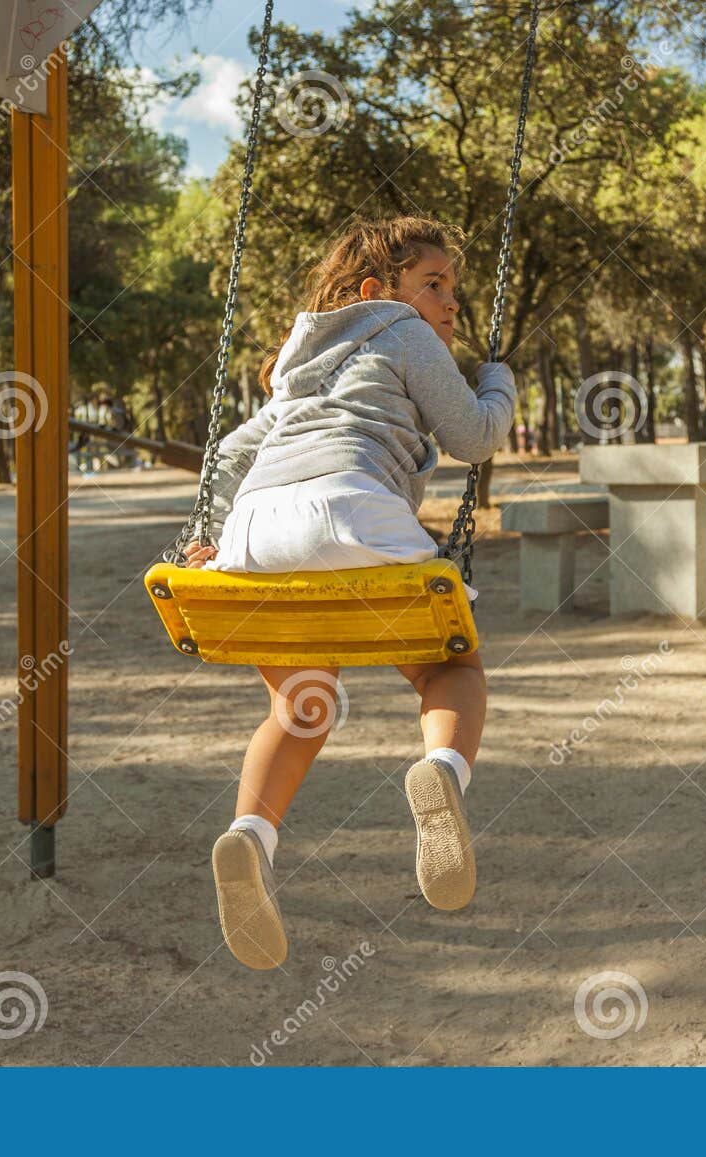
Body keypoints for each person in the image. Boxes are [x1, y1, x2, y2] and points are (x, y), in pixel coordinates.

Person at [179, 216, 515, 970]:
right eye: (435, 284)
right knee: (449, 670)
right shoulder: (402, 330)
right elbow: (474, 436)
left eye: (453, 289)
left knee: (300, 704)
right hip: (351, 503)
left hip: (258, 533)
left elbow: (232, 453)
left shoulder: (299, 369)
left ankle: (249, 839)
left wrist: (210, 535)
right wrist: (498, 380)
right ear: (377, 291)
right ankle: (442, 773)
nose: (450, 303)